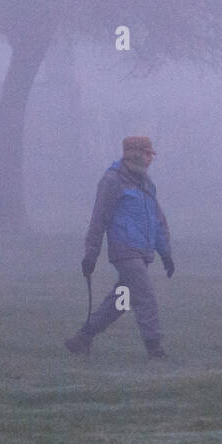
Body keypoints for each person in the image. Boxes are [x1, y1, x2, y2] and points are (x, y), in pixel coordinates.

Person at [65, 136, 175, 359]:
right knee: (145, 296)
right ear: (135, 153)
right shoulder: (112, 180)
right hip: (125, 252)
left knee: (120, 300)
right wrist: (91, 254)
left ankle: (82, 338)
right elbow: (99, 219)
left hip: (143, 253)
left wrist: (165, 253)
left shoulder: (146, 183)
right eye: (147, 154)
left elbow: (157, 219)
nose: (150, 159)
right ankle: (155, 348)